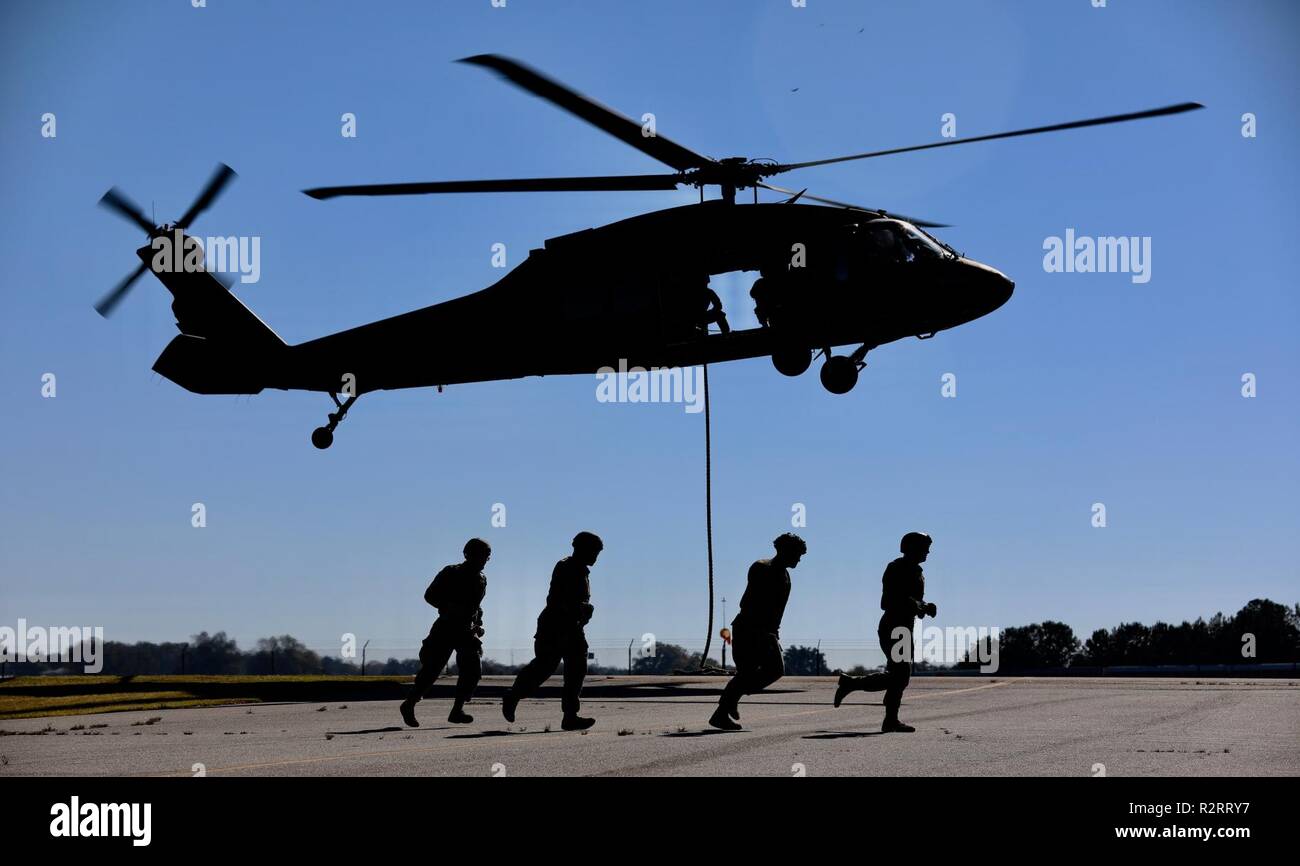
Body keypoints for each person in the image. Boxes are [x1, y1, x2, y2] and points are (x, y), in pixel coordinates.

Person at [833, 532, 937, 733]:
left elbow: (912, 603)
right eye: (924, 548)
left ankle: (890, 719)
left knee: (900, 674)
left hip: (905, 627)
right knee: (900, 675)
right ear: (911, 548)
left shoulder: (917, 572)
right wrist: (916, 604)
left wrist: (925, 607)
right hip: (894, 626)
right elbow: (887, 602)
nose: (928, 552)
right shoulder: (897, 568)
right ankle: (851, 684)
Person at [502, 532, 604, 731]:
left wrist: (583, 612)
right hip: (555, 626)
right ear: (581, 548)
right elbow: (557, 600)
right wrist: (578, 610)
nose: (596, 556)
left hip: (573, 627)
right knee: (544, 667)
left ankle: (570, 716)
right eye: (594, 551)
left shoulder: (581, 570)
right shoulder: (566, 567)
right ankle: (514, 695)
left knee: (576, 670)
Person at [709, 532, 807, 731]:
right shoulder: (762, 568)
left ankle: (727, 705)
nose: (798, 559)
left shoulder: (785, 575)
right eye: (796, 554)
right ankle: (725, 708)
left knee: (765, 672)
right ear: (785, 551)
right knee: (755, 672)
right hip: (750, 629)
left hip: (767, 631)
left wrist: (773, 631)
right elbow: (746, 602)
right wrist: (762, 629)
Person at [400, 538, 491, 727]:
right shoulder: (451, 572)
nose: (483, 560)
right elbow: (430, 595)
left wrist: (478, 622)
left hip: (467, 630)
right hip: (446, 627)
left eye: (486, 557)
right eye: (481, 556)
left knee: (472, 669)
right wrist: (449, 607)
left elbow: (476, 606)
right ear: (468, 555)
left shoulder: (481, 579)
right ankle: (409, 703)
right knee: (432, 668)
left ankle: (457, 710)